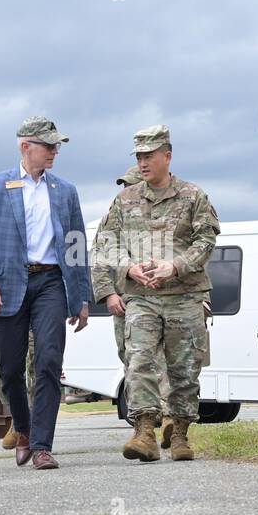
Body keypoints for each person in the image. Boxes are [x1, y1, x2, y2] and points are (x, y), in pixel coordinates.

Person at [0, 116, 92, 470]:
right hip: (8, 285)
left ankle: (41, 445)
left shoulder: (65, 191)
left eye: (57, 146)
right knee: (8, 370)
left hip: (51, 282)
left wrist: (81, 297)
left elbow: (77, 246)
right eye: (48, 145)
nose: (54, 152)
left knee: (49, 361)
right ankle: (22, 428)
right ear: (26, 146)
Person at [96, 125, 219, 461]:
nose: (143, 162)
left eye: (149, 155)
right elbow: (106, 242)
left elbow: (206, 242)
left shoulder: (193, 196)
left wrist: (175, 266)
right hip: (141, 297)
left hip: (184, 296)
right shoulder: (124, 200)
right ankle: (145, 433)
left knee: (184, 368)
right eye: (139, 156)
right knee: (140, 361)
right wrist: (128, 269)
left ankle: (179, 434)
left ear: (167, 155)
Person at [91, 166, 176, 450]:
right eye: (124, 185)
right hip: (127, 301)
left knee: (165, 359)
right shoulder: (112, 219)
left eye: (131, 184)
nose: (125, 189)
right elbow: (100, 259)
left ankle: (166, 418)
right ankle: (146, 421)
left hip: (168, 299)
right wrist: (108, 295)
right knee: (132, 358)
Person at [0, 299, 33, 449]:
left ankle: (35, 433)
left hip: (36, 312)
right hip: (8, 308)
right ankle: (19, 417)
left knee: (34, 372)